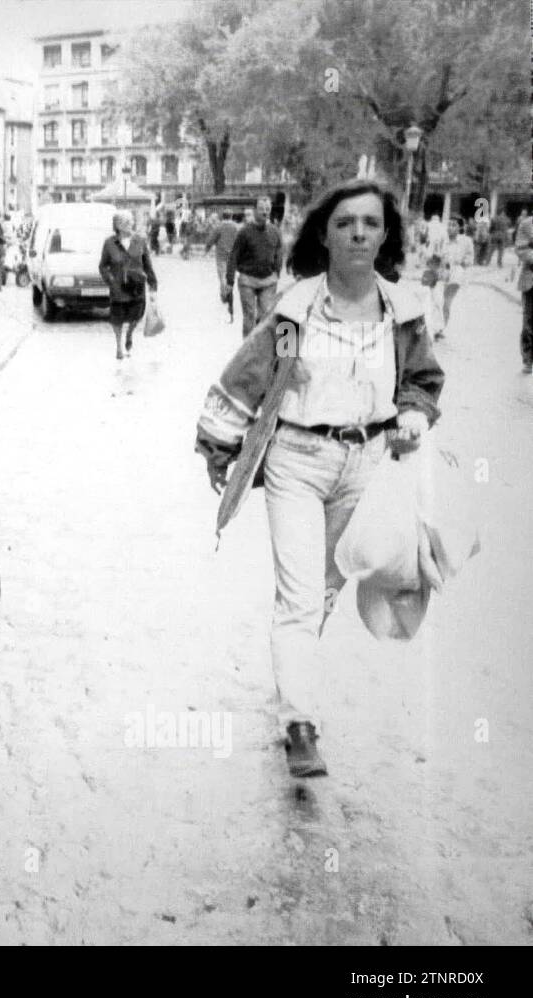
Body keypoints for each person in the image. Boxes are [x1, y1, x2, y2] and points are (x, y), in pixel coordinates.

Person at [195, 179, 444, 778]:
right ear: (324, 235)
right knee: (300, 598)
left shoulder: (404, 310)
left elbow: (422, 379)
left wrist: (412, 414)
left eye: (370, 223)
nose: (358, 233)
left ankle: (292, 678)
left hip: (368, 466)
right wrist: (219, 445)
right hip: (297, 462)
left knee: (323, 592)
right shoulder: (296, 310)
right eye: (344, 223)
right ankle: (300, 723)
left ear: (385, 235)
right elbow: (257, 371)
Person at [99, 210, 157, 360]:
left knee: (136, 316)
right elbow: (103, 266)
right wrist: (110, 280)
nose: (131, 224)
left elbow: (147, 264)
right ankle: (119, 346)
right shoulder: (109, 243)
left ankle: (130, 333)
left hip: (136, 287)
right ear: (118, 225)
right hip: (118, 288)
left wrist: (153, 284)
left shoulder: (140, 241)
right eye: (127, 222)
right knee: (117, 318)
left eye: (131, 221)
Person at [226, 196, 282, 336]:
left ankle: (261, 348)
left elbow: (279, 253)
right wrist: (230, 280)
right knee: (249, 317)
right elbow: (234, 255)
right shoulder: (244, 232)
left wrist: (277, 272)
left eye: (268, 209)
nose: (265, 212)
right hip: (247, 280)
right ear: (255, 211)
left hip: (268, 281)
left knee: (266, 316)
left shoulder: (275, 232)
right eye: (262, 209)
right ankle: (248, 349)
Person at [436, 217, 474, 338]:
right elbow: (436, 256)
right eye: (449, 225)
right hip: (442, 272)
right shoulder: (442, 240)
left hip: (456, 274)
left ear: (460, 227)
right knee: (436, 300)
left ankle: (440, 328)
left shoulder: (466, 241)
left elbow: (470, 259)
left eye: (454, 225)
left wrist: (462, 261)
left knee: (446, 302)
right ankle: (437, 325)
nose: (450, 228)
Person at [205, 212, 241, 322]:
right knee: (230, 275)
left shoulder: (219, 227)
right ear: (231, 216)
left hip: (221, 256)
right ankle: (228, 291)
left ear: (222, 217)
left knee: (222, 276)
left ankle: (224, 294)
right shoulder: (237, 227)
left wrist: (207, 249)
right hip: (233, 256)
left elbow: (211, 239)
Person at [514, 210, 533, 373]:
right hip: (531, 278)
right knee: (529, 322)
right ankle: (528, 359)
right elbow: (521, 249)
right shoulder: (527, 224)